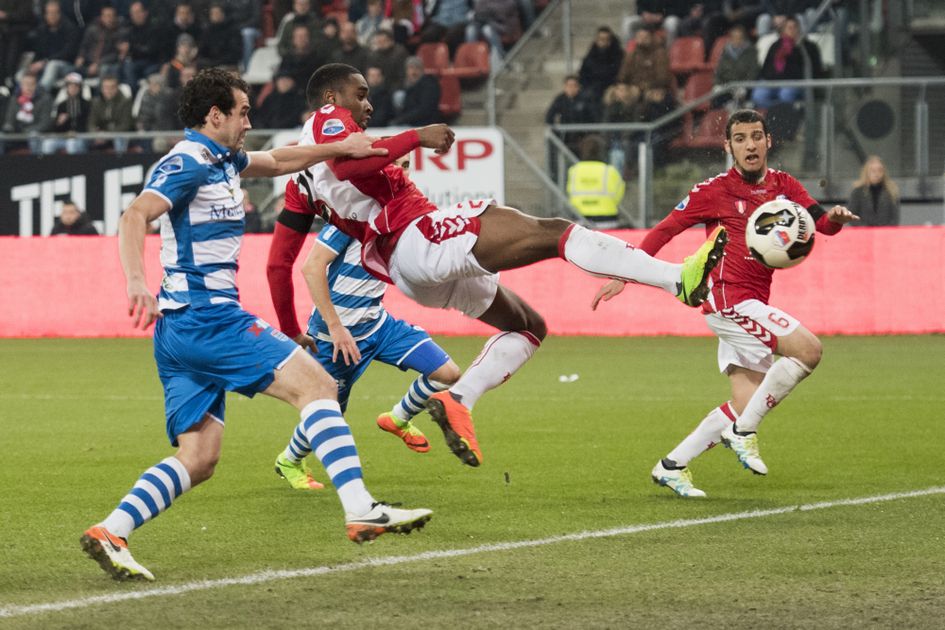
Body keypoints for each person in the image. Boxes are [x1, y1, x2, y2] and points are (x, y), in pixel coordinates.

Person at [80, 68, 433, 583]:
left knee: (198, 458)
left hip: (182, 331)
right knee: (317, 384)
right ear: (214, 115)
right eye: (243, 112)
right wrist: (136, 280)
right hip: (207, 318)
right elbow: (135, 215)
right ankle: (360, 507)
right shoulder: (188, 161)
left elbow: (277, 160)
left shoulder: (224, 159)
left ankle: (111, 530)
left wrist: (339, 149)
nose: (249, 121)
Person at [282, 63, 728, 469]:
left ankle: (458, 400)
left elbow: (281, 259)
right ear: (331, 99)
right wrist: (416, 135)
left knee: (529, 326)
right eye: (359, 94)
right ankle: (675, 280)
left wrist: (288, 323)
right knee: (552, 231)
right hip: (417, 237)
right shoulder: (327, 124)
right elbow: (343, 164)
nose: (368, 103)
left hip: (409, 267)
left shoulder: (303, 184)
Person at [592, 109, 859, 498]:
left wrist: (835, 218)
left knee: (746, 402)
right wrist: (624, 273)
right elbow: (666, 229)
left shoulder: (785, 186)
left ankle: (672, 466)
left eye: (756, 136)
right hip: (726, 300)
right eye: (740, 138)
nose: (749, 145)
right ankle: (743, 433)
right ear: (728, 146)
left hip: (751, 302)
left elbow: (818, 224)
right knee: (809, 350)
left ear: (769, 141)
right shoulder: (713, 191)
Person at [271, 155, 464, 489]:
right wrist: (335, 326)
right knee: (328, 411)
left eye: (406, 165)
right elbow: (311, 268)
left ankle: (398, 418)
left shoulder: (402, 217)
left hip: (378, 325)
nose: (401, 171)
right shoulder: (351, 213)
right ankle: (289, 459)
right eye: (396, 164)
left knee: (447, 374)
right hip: (337, 336)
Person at [753, 16, 824, 110]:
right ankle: (772, 115)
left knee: (786, 94)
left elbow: (815, 69)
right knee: (759, 94)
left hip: (797, 82)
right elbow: (766, 67)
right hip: (773, 81)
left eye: (794, 27)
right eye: (789, 27)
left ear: (799, 29)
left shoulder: (808, 47)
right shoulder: (776, 45)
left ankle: (784, 119)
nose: (792, 30)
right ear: (783, 30)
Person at [566, 135, 625, 229]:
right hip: (607, 219)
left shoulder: (574, 170)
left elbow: (569, 192)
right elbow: (619, 194)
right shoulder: (610, 171)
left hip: (580, 219)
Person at [42, 72, 90, 155]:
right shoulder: (62, 105)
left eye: (76, 86)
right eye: (70, 86)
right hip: (64, 136)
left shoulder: (86, 104)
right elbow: (56, 128)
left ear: (80, 88)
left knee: (72, 144)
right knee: (48, 144)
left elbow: (88, 123)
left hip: (80, 137)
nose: (73, 89)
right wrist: (58, 123)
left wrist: (76, 132)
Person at [848, 156, 900, 227]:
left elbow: (895, 218)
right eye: (873, 171)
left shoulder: (891, 191)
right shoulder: (857, 191)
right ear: (866, 172)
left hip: (886, 234)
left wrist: (886, 231)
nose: (877, 174)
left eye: (880, 170)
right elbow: (851, 215)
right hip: (863, 233)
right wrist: (864, 229)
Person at [578, 27, 625, 104]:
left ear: (610, 40)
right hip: (593, 87)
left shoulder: (618, 55)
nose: (604, 42)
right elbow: (583, 74)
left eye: (606, 39)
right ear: (596, 40)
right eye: (601, 39)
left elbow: (619, 73)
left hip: (612, 86)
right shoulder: (590, 55)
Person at [88, 75, 134, 153]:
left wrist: (108, 135)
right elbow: (91, 123)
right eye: (106, 87)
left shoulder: (125, 102)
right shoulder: (96, 102)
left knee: (120, 139)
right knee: (81, 141)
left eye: (112, 87)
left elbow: (125, 125)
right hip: (101, 135)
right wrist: (95, 133)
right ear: (102, 89)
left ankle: (120, 162)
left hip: (118, 134)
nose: (109, 90)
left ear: (117, 88)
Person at [391, 56, 441, 126]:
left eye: (417, 68)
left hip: (425, 124)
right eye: (411, 68)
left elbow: (424, 110)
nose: (414, 72)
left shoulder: (430, 85)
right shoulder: (403, 85)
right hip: (407, 123)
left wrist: (401, 120)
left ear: (422, 70)